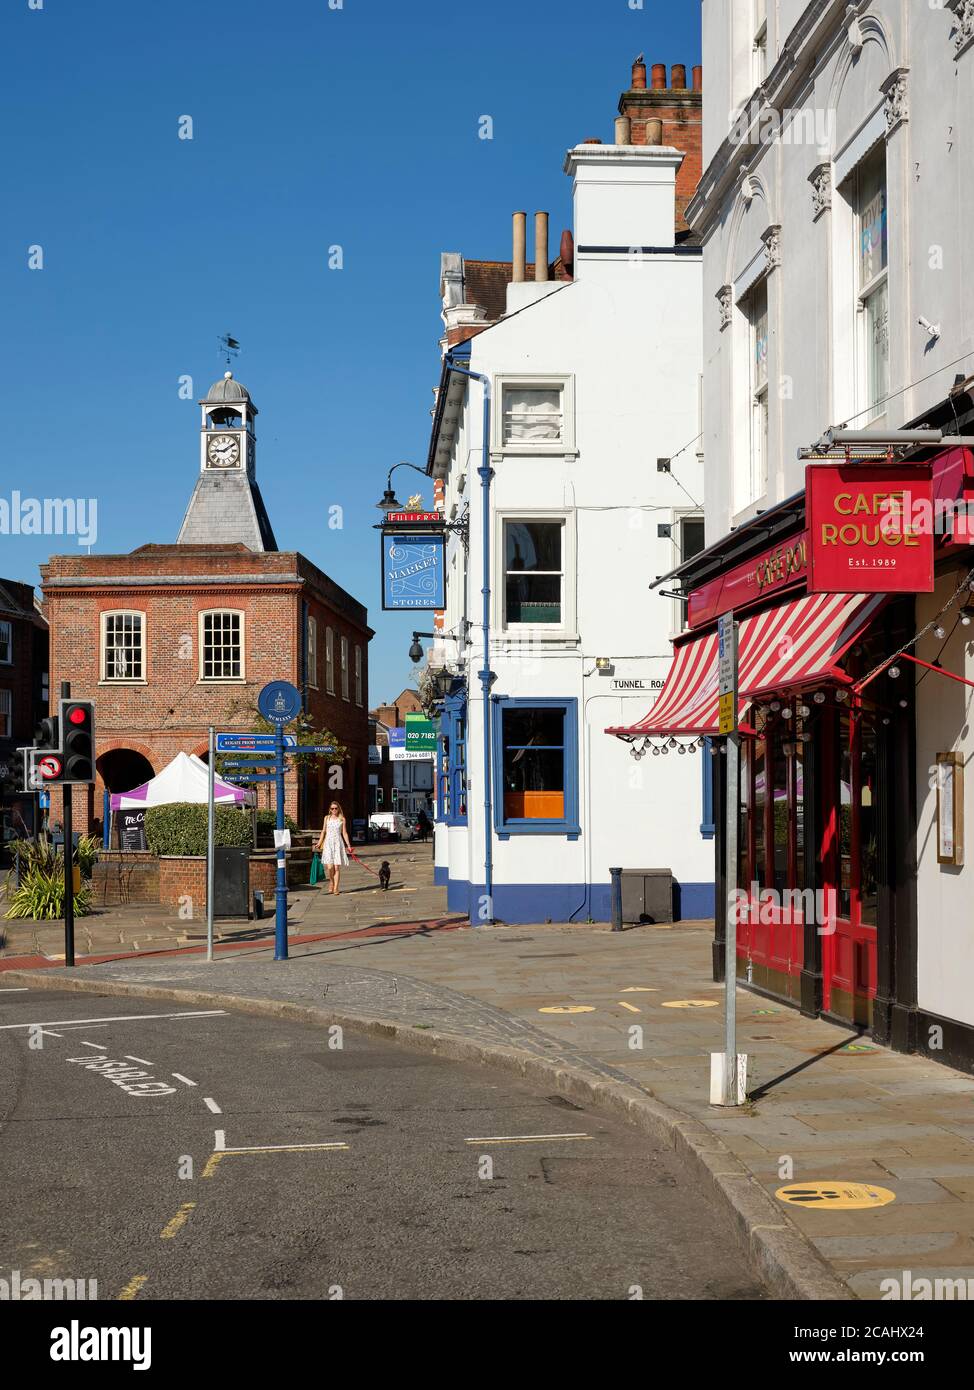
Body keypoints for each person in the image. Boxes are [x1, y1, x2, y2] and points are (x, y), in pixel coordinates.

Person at [317, 800, 352, 895]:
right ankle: (331, 881)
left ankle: (336, 887)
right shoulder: (326, 818)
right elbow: (323, 831)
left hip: (338, 843)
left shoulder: (342, 819)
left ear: (338, 809)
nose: (334, 810)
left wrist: (348, 845)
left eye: (336, 808)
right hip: (328, 843)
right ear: (330, 809)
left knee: (336, 867)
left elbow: (344, 833)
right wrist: (319, 842)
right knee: (330, 867)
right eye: (332, 808)